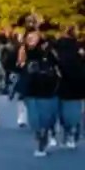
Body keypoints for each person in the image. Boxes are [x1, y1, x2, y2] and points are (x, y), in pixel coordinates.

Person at [20, 28, 60, 156]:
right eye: (28, 38)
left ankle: (42, 141)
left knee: (45, 118)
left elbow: (57, 63)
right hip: (30, 89)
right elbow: (19, 66)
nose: (30, 40)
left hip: (46, 88)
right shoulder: (24, 50)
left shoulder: (47, 49)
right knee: (34, 119)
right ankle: (40, 135)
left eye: (33, 37)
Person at [53, 28, 83, 149]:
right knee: (74, 111)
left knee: (62, 112)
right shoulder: (78, 48)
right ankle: (72, 133)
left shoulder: (57, 48)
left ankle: (65, 134)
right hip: (76, 85)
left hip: (60, 84)